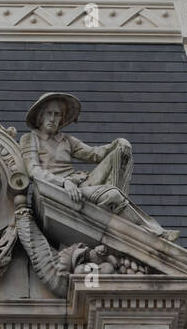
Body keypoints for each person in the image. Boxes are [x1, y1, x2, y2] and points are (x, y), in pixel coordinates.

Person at [20, 92, 176, 239]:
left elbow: (94, 154)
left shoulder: (67, 140)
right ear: (40, 116)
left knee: (120, 152)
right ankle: (155, 232)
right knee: (113, 194)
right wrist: (63, 183)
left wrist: (117, 143)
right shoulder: (30, 138)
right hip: (54, 191)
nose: (53, 118)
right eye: (49, 113)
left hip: (79, 185)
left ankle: (112, 214)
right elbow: (33, 170)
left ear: (62, 118)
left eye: (57, 114)